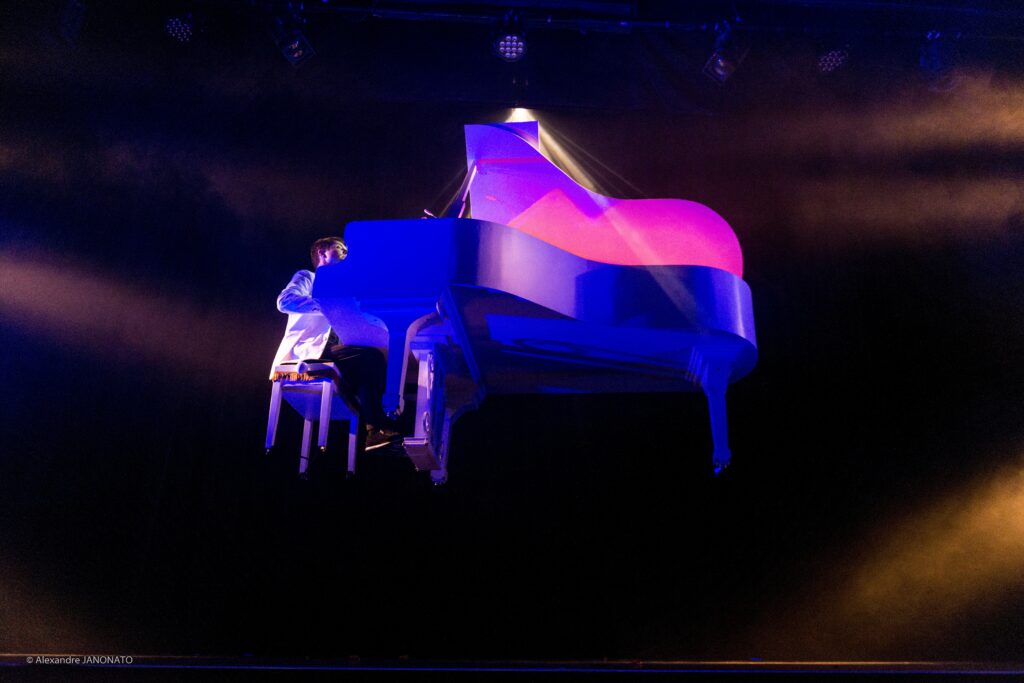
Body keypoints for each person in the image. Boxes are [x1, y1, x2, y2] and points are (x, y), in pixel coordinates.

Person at [271, 236, 401, 451]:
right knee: (370, 358)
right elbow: (284, 301)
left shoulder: (344, 289)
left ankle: (378, 431)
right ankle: (376, 427)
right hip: (311, 351)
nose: (345, 255)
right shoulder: (308, 278)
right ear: (322, 252)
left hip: (337, 354)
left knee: (376, 362)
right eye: (340, 250)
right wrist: (327, 304)